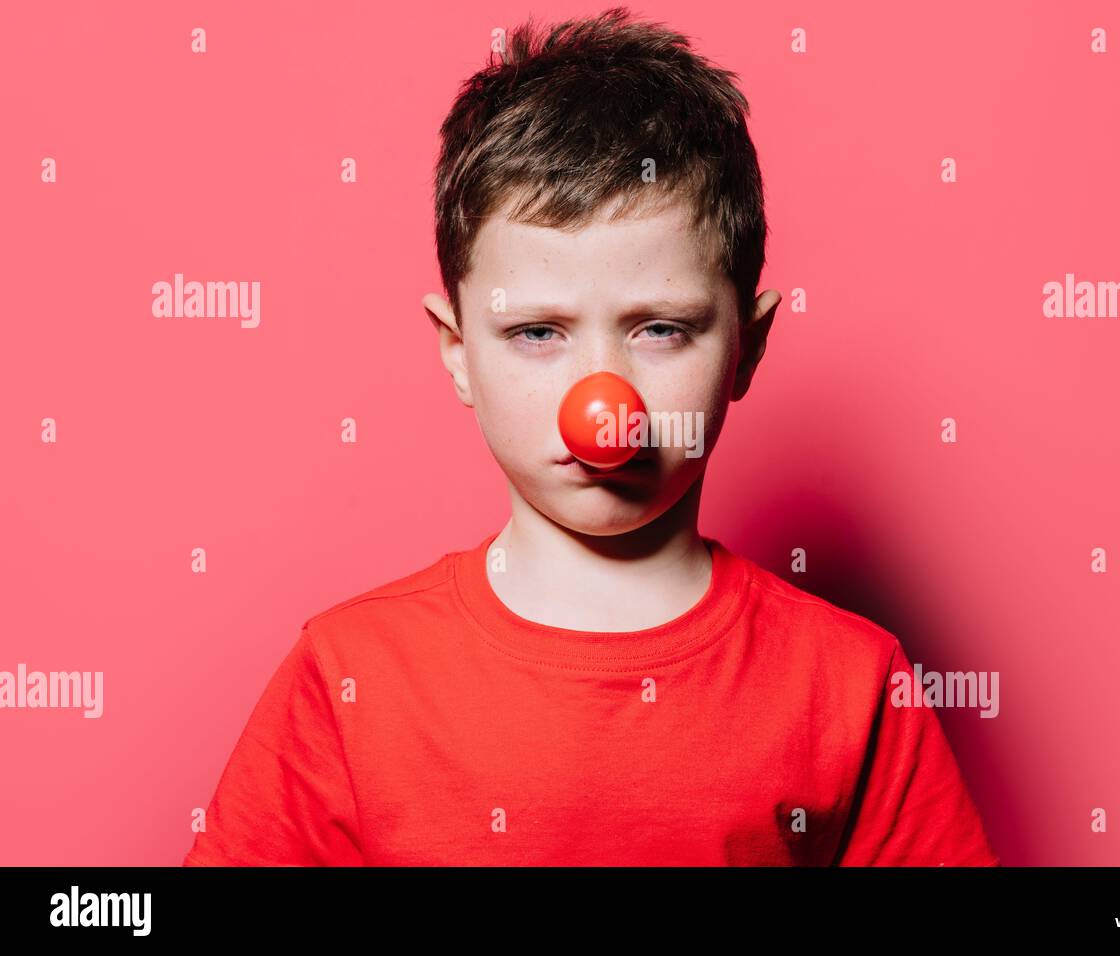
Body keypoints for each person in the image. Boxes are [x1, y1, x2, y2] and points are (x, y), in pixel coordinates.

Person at [183, 6, 998, 867]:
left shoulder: (852, 684)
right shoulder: (351, 674)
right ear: (459, 355)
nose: (602, 404)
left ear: (748, 348)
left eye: (661, 330)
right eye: (538, 332)